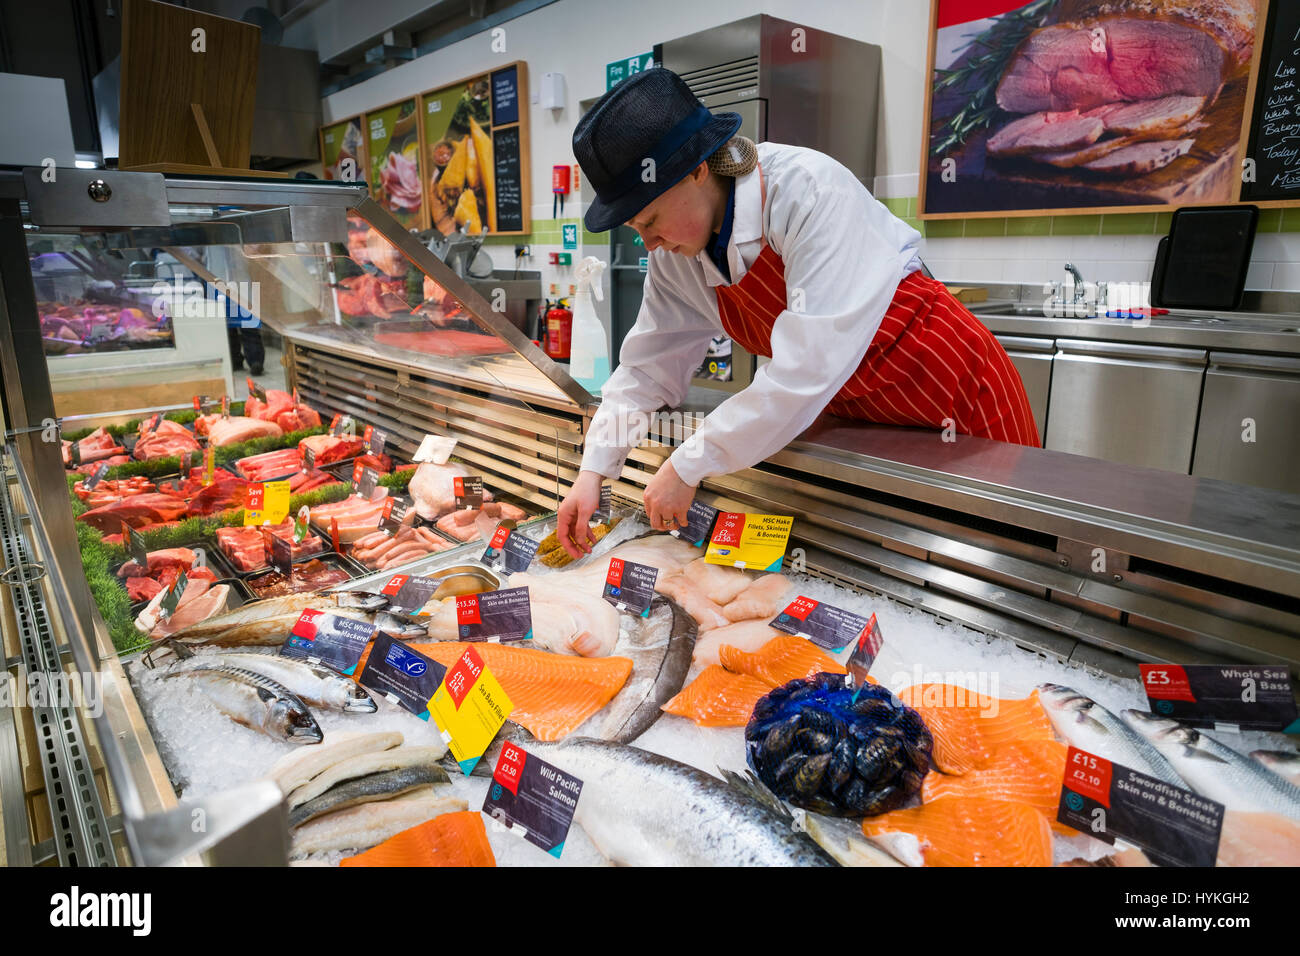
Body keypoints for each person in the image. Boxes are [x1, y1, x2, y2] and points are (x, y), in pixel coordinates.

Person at [556, 68, 1039, 559]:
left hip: (951, 391)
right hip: (850, 411)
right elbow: (647, 369)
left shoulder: (805, 190)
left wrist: (688, 465)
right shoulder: (673, 259)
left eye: (652, 219)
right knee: (896, 561)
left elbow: (803, 370)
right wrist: (593, 470)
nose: (650, 242)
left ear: (697, 170)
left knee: (1004, 560)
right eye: (638, 228)